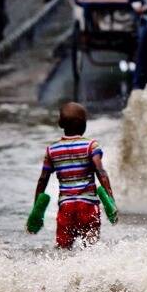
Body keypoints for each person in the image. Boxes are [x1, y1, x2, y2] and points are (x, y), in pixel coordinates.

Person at [34, 102, 115, 249]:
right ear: (84, 125)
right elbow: (101, 172)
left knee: (63, 249)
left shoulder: (52, 150)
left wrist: (36, 209)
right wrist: (111, 199)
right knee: (91, 248)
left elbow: (42, 180)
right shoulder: (91, 146)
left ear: (60, 124)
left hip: (66, 207)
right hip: (88, 206)